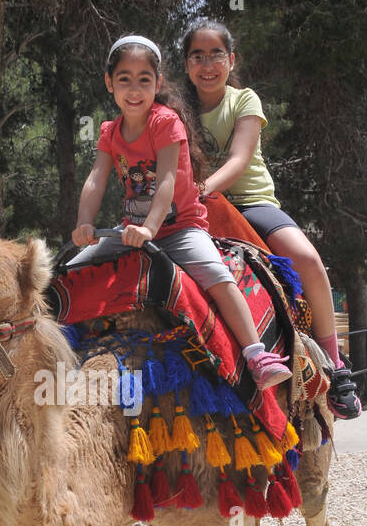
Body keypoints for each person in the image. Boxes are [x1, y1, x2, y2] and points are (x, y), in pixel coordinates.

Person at [69, 34, 291, 390]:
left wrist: (150, 228)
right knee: (75, 268)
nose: (134, 89)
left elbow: (167, 180)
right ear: (109, 82)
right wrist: (84, 223)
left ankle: (256, 353)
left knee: (215, 275)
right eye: (124, 79)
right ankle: (61, 345)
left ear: (157, 84)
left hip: (180, 227)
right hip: (134, 229)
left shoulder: (165, 121)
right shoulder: (110, 131)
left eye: (144, 79)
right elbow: (97, 178)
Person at [180, 19, 360, 419]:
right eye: (197, 56)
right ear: (187, 64)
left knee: (308, 259)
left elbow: (240, 159)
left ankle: (334, 362)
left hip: (248, 202)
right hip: (194, 208)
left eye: (216, 55)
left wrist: (200, 189)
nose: (207, 64)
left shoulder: (244, 100)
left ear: (231, 60)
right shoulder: (177, 109)